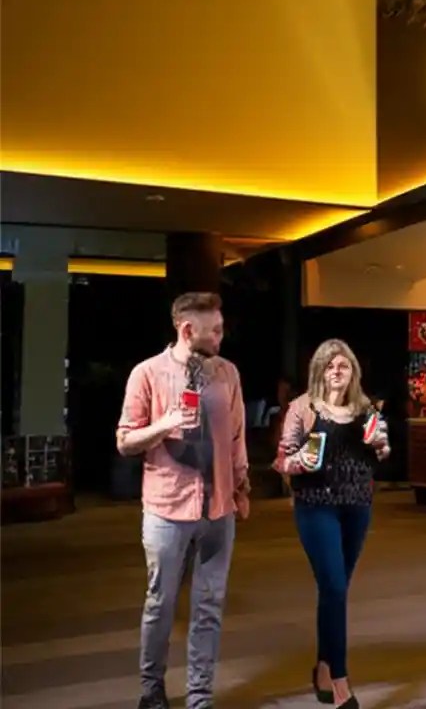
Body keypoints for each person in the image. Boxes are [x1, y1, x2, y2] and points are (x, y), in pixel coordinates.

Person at [117, 291, 250, 709]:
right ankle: (151, 691)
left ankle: (199, 698)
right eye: (214, 331)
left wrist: (242, 487)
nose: (220, 337)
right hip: (167, 509)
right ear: (187, 330)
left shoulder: (228, 373)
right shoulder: (148, 373)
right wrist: (167, 423)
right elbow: (125, 441)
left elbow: (236, 437)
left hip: (219, 510)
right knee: (161, 603)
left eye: (222, 328)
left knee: (209, 606)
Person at [275, 340, 389, 709]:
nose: (337, 372)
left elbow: (383, 453)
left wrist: (382, 445)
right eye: (330, 366)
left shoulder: (366, 408)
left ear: (354, 371)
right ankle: (340, 679)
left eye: (344, 366)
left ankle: (323, 667)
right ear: (319, 371)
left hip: (357, 506)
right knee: (335, 585)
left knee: (334, 591)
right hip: (316, 506)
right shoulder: (303, 408)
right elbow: (282, 460)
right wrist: (298, 462)